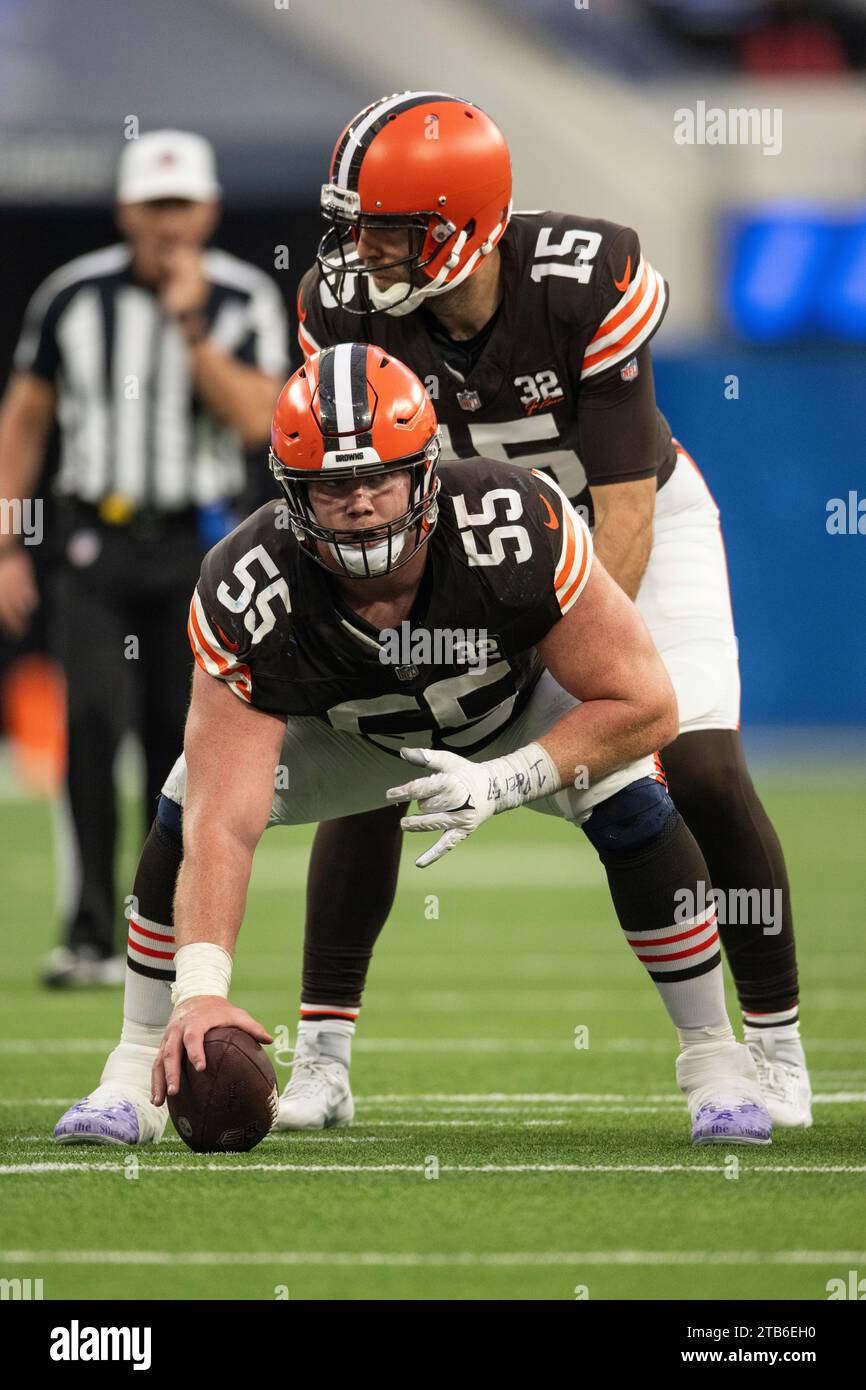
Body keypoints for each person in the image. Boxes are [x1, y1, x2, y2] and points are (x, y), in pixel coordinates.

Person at [53, 344, 771, 1150]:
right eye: (332, 486)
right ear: (293, 497)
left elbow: (646, 705)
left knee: (631, 794)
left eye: (378, 479)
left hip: (515, 710)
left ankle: (717, 1061)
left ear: (425, 474)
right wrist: (203, 989)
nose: (360, 503)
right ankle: (132, 1073)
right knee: (185, 804)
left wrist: (507, 780)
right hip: (355, 735)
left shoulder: (513, 517)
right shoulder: (247, 583)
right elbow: (224, 821)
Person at [288, 92, 810, 1129]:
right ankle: (321, 1057)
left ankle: (774, 1047)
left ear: (461, 224)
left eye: (384, 227)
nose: (359, 251)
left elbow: (618, 515)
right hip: (455, 547)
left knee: (697, 763)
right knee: (376, 754)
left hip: (633, 532)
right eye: (353, 225)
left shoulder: (584, 280)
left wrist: (542, 670)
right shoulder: (345, 307)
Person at [0, 129, 288, 985]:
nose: (168, 220)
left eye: (182, 203)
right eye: (154, 203)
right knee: (89, 721)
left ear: (208, 209)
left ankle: (157, 935)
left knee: (185, 746)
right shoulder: (72, 295)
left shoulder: (240, 298)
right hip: (97, 538)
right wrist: (8, 539)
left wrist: (190, 324)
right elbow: (25, 419)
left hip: (200, 547)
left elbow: (253, 420)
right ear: (127, 208)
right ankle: (90, 932)